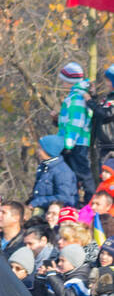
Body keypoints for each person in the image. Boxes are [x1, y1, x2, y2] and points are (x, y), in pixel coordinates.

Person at [57, 62, 94, 202]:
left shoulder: (77, 98)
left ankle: (90, 203)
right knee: (71, 176)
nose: (61, 82)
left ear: (69, 81)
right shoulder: (74, 95)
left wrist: (68, 144)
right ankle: (72, 202)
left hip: (76, 144)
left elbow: (75, 123)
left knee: (82, 175)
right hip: (73, 143)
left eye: (63, 80)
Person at [28, 135, 78, 209]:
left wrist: (37, 202)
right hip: (43, 206)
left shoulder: (62, 172)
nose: (37, 151)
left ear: (49, 150)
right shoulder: (43, 166)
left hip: (57, 210)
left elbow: (63, 198)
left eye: (40, 148)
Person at [89, 65, 114, 183]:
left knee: (109, 179)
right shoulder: (108, 97)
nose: (107, 83)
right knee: (103, 178)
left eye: (109, 81)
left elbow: (106, 114)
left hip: (111, 146)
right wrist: (94, 96)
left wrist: (89, 101)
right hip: (104, 145)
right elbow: (99, 112)